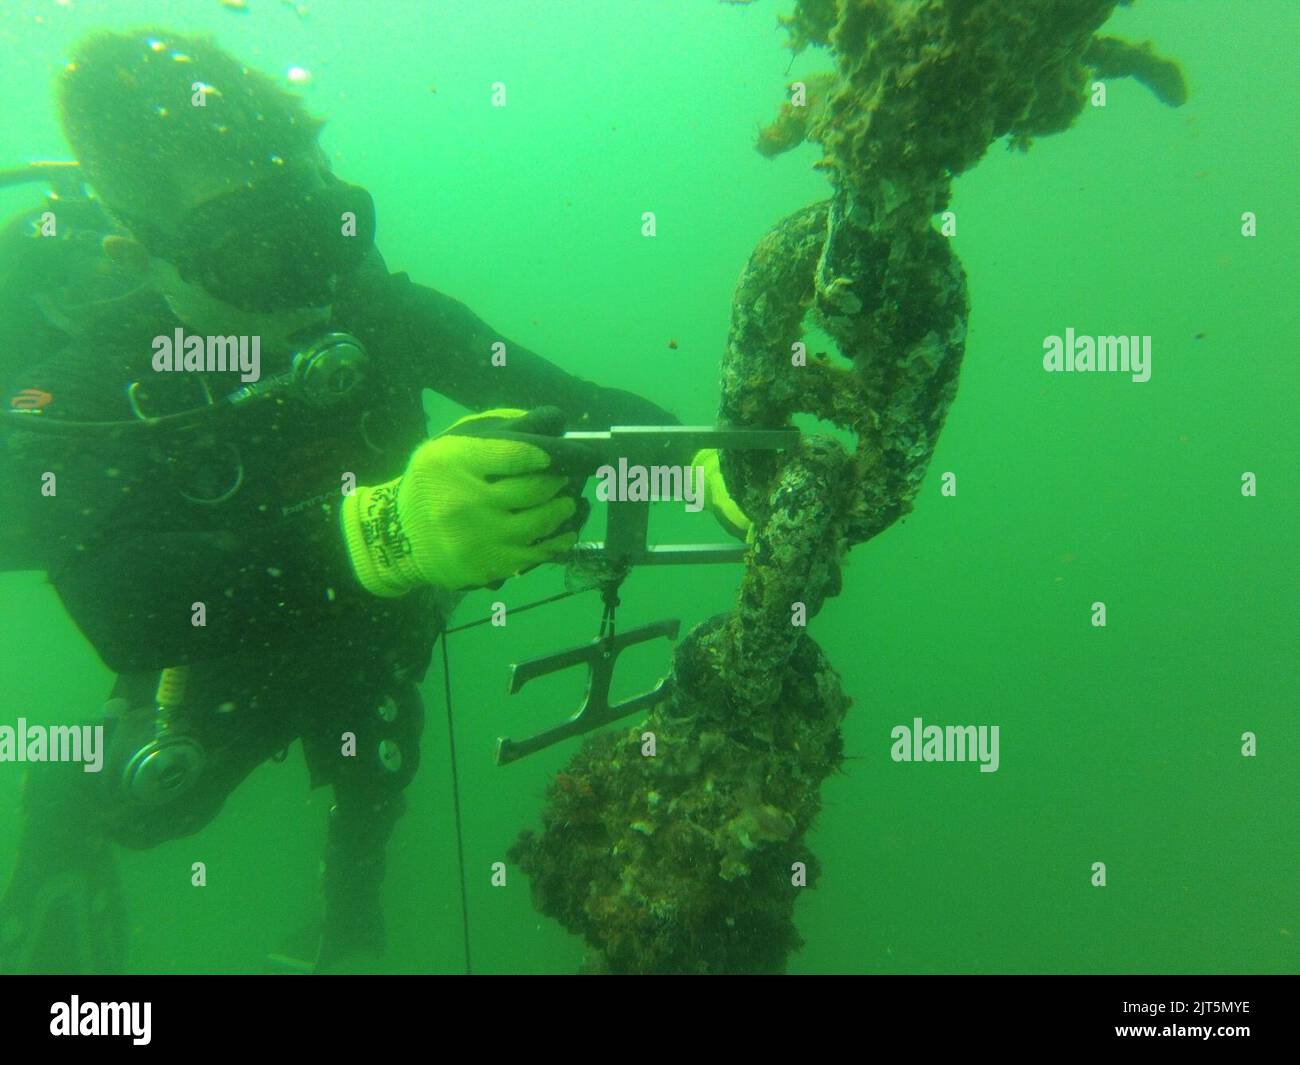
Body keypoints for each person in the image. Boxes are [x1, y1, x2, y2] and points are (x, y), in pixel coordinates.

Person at [0, 28, 742, 973]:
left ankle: (348, 933)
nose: (314, 280)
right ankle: (62, 814)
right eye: (252, 251)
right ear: (142, 251)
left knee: (378, 773)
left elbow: (585, 407)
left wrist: (700, 461)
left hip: (376, 638)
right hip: (223, 658)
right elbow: (121, 603)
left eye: (320, 227)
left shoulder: (377, 309)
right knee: (152, 806)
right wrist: (379, 533)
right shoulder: (98, 376)